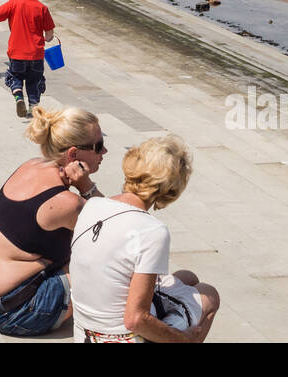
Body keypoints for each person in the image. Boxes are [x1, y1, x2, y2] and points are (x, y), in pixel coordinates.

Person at [0, 107, 105, 337]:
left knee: (81, 244)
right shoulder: (65, 203)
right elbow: (119, 228)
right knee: (103, 262)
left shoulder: (31, 165)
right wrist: (86, 187)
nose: (105, 151)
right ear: (73, 155)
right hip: (14, 312)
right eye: (98, 146)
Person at [69, 135, 220, 342]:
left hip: (86, 332)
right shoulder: (152, 231)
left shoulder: (92, 206)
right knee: (208, 294)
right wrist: (183, 339)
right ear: (171, 187)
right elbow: (135, 319)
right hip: (118, 337)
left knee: (187, 277)